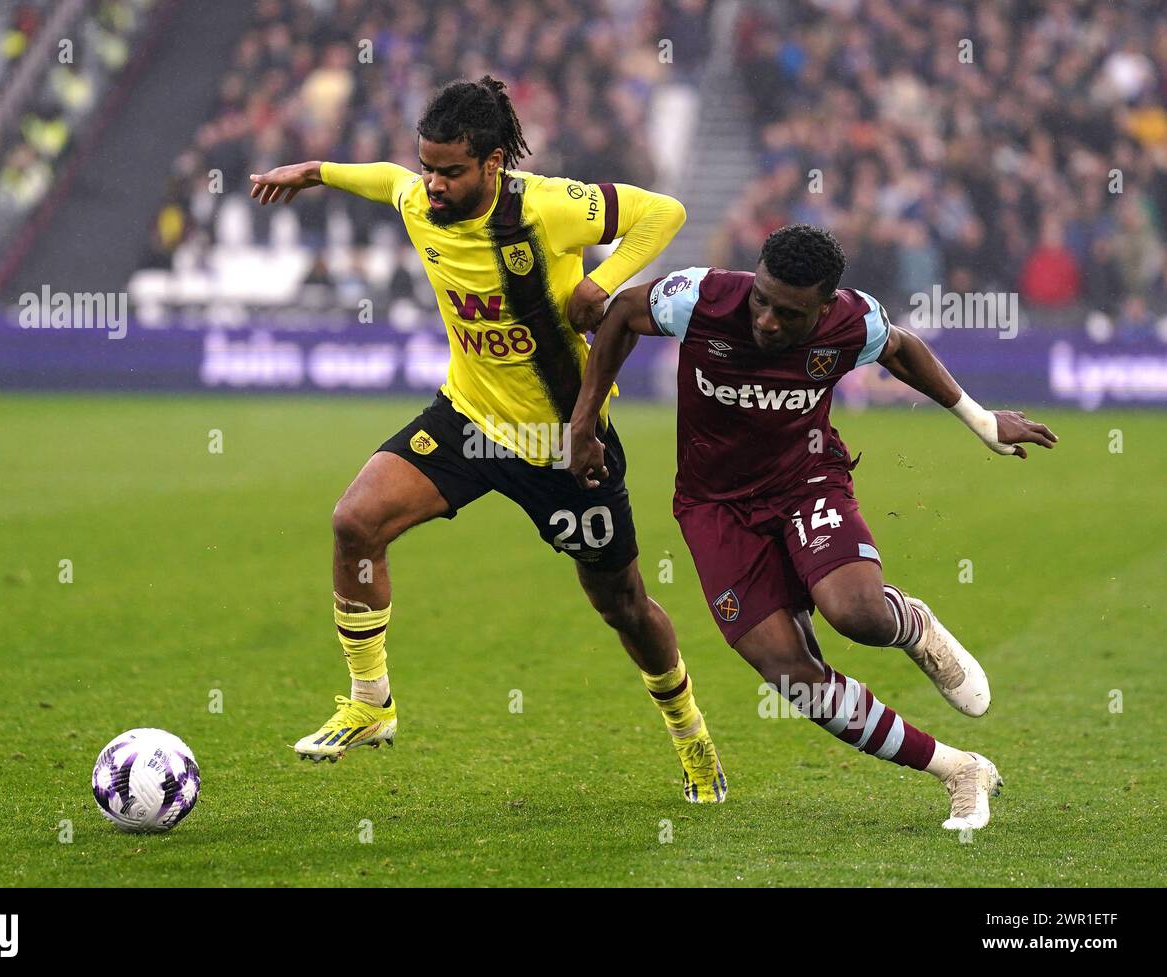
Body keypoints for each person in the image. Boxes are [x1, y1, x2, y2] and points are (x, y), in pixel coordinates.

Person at [249, 76, 727, 802]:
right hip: (467, 419)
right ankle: (371, 701)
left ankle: (692, 736)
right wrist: (313, 172)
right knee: (354, 521)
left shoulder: (547, 206)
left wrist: (604, 283)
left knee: (623, 603)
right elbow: (385, 181)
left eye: (449, 170)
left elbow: (664, 212)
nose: (432, 184)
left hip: (564, 442)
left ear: (495, 162)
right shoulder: (419, 198)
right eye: (427, 166)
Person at [567, 224, 1059, 829]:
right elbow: (620, 316)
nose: (768, 321)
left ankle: (911, 623)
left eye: (790, 313)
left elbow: (902, 350)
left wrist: (983, 422)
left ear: (825, 307)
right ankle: (960, 769)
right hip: (714, 507)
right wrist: (585, 423)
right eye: (762, 300)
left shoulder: (853, 322)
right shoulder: (700, 298)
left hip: (806, 482)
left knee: (857, 614)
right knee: (793, 677)